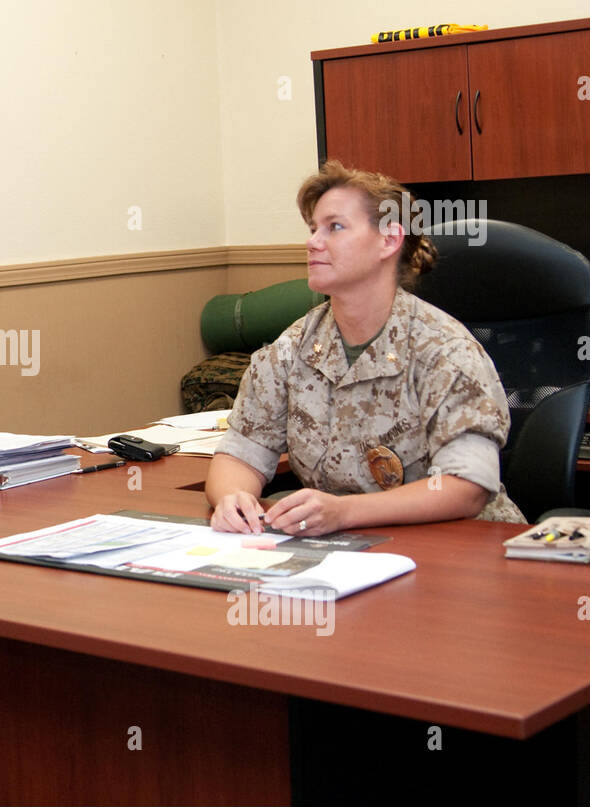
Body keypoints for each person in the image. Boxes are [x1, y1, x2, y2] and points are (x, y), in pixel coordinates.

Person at [206, 160, 525, 536]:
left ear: (389, 240)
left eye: (334, 227)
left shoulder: (444, 350)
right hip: (347, 551)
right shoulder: (291, 349)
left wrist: (344, 512)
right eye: (312, 229)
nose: (312, 242)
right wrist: (232, 499)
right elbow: (239, 456)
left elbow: (464, 488)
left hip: (461, 550)